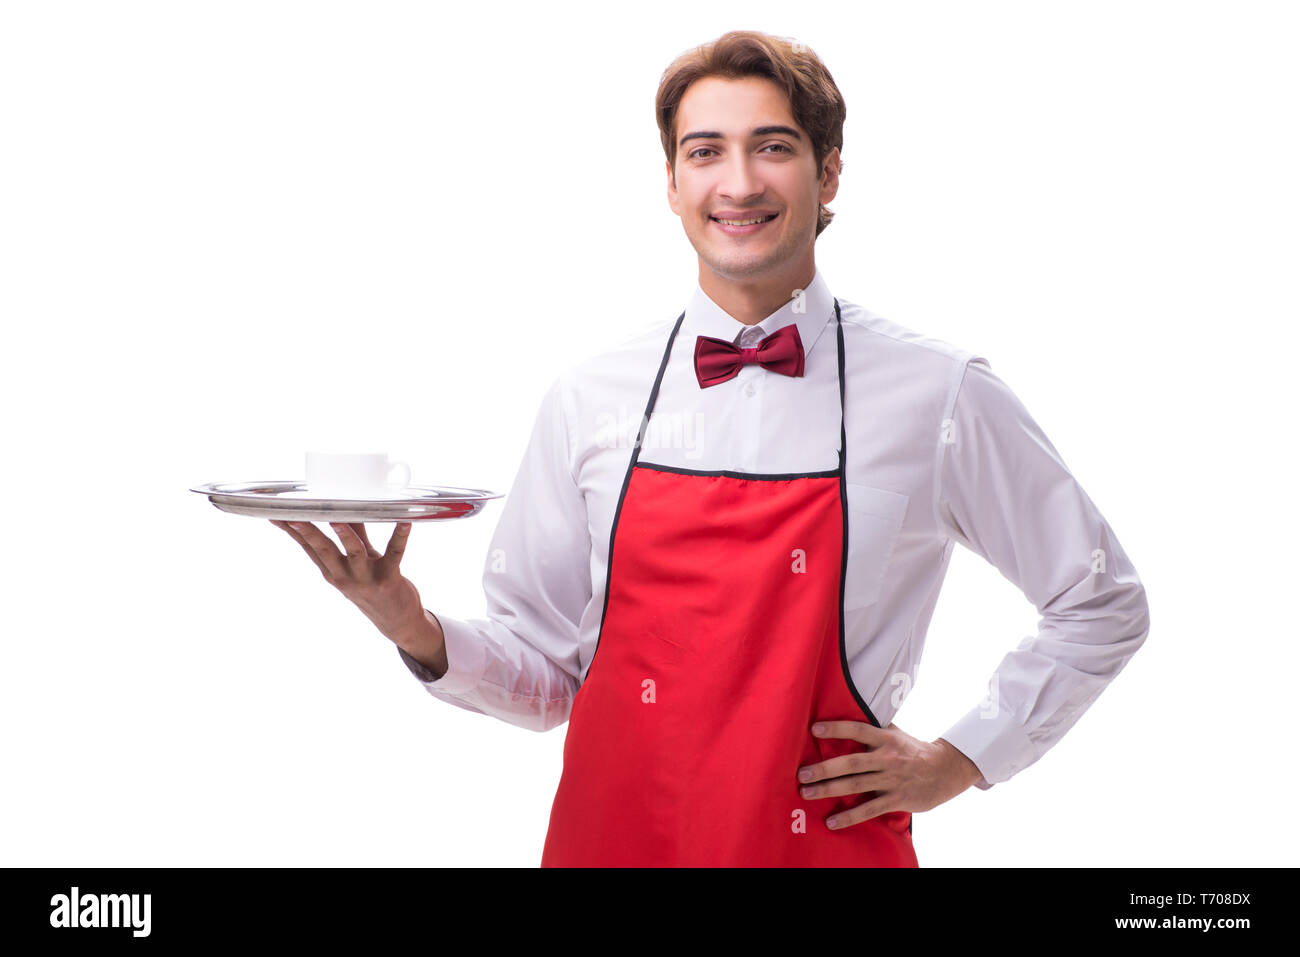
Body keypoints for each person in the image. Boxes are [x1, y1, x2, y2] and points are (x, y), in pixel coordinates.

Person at [272, 30, 1150, 867]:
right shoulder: (591, 395)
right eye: (705, 151)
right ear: (671, 181)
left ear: (829, 171)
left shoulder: (940, 391)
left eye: (772, 147)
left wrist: (962, 757)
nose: (738, 182)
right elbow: (547, 680)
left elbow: (1101, 599)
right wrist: (412, 627)